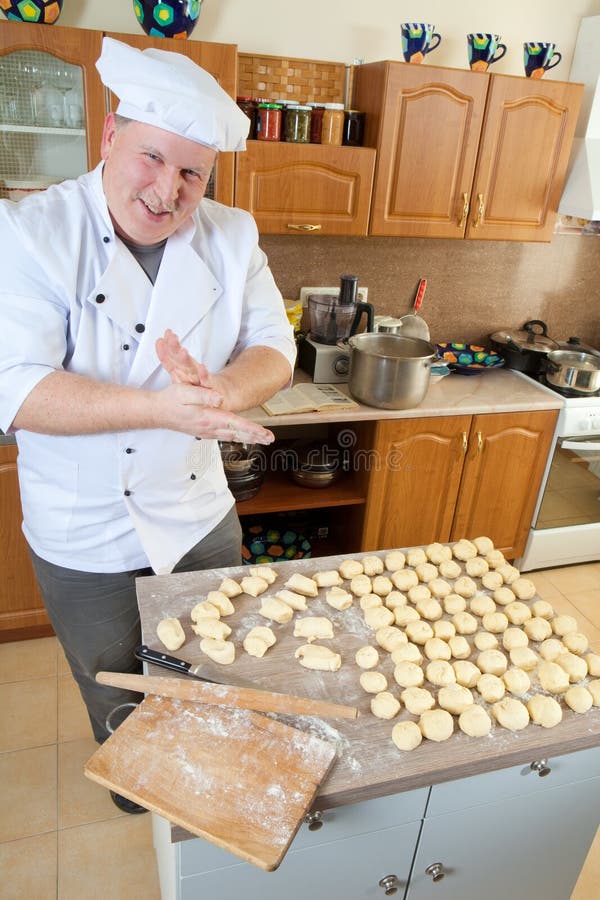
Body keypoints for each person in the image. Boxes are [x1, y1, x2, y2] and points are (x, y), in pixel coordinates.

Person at [0, 38, 295, 813]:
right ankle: (145, 795)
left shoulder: (232, 237)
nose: (169, 190)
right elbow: (19, 391)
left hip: (197, 511)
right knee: (120, 691)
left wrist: (221, 389)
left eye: (193, 173)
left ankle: (206, 798)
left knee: (211, 672)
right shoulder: (34, 233)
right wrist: (169, 408)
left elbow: (276, 349)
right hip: (83, 530)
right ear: (108, 137)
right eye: (152, 159)